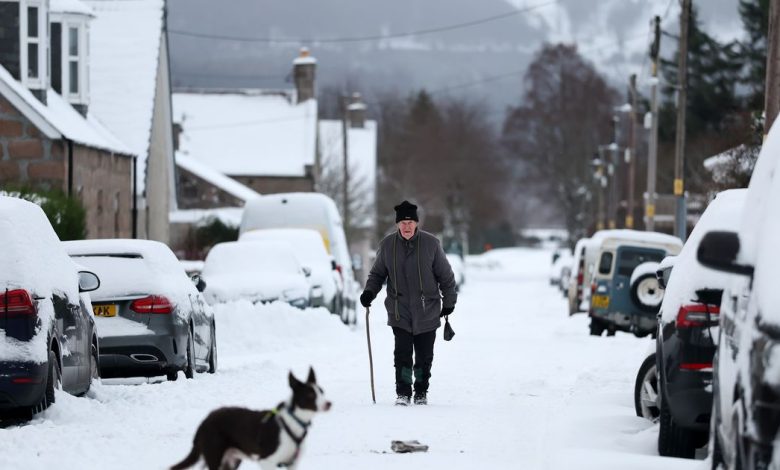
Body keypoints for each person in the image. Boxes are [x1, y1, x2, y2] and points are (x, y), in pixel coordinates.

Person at [360, 200, 457, 406]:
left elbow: (446, 277)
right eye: (402, 223)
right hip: (399, 310)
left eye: (410, 222)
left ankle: (421, 391)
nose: (406, 226)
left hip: (427, 310)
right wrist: (369, 292)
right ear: (397, 224)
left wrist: (449, 302)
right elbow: (377, 274)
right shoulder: (387, 245)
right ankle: (403, 392)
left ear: (417, 223)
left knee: (423, 357)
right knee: (402, 354)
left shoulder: (431, 244)